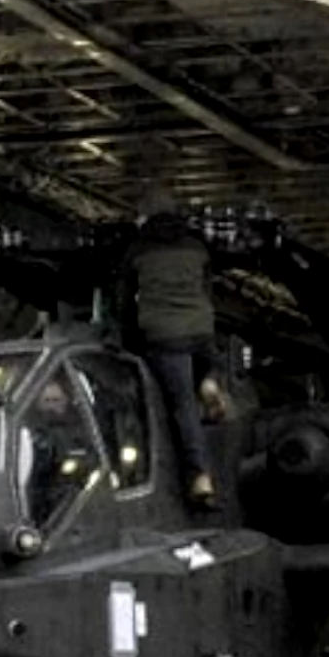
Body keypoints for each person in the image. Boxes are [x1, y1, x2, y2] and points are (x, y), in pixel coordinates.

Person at [123, 185, 224, 509]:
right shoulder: (198, 247)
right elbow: (209, 289)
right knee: (209, 361)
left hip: (166, 337)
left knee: (182, 408)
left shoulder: (137, 251)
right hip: (201, 329)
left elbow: (125, 301)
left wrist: (130, 341)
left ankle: (200, 478)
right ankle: (209, 381)